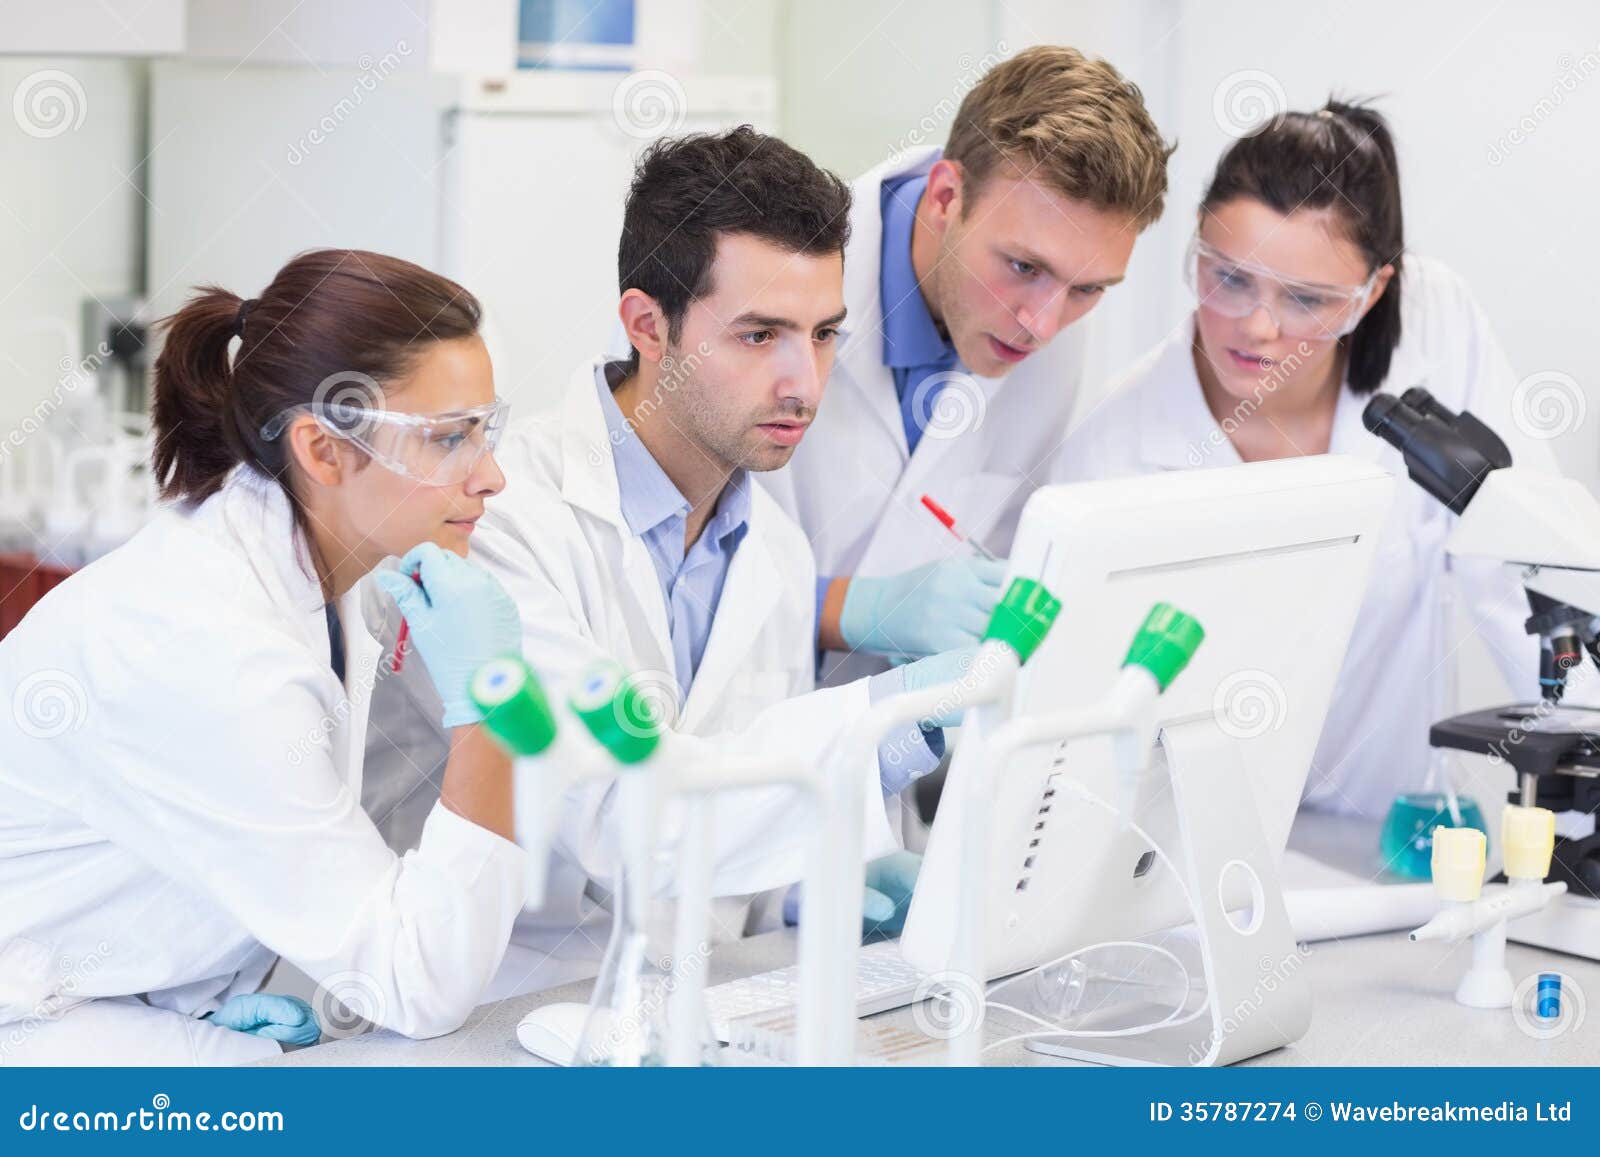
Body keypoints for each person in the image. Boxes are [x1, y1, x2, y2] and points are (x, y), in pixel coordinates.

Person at [368, 128, 971, 997]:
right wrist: (880, 726)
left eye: (826, 333)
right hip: (494, 1008)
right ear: (649, 325)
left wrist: (811, 892)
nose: (805, 382)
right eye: (760, 335)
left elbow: (730, 811)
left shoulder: (772, 546)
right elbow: (620, 813)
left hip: (683, 1008)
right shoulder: (500, 521)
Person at [0, 250, 530, 1064]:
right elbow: (420, 986)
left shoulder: (323, 572)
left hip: (105, 1001)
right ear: (323, 452)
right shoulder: (209, 642)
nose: (489, 475)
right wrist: (493, 708)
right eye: (449, 438)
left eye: (485, 430)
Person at [1051, 100, 1560, 818]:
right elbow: (1074, 727)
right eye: (1228, 278)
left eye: (1305, 299)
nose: (1256, 326)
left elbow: (1528, 584)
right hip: (1179, 859)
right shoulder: (1111, 452)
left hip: (1382, 840)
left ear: (1373, 291)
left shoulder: (1433, 328)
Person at [763, 45, 1175, 688]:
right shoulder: (774, 288)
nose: (1043, 323)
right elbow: (681, 587)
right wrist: (847, 611)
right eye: (1022, 267)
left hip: (894, 760)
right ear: (946, 195)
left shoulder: (1051, 329)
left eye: (1089, 289)